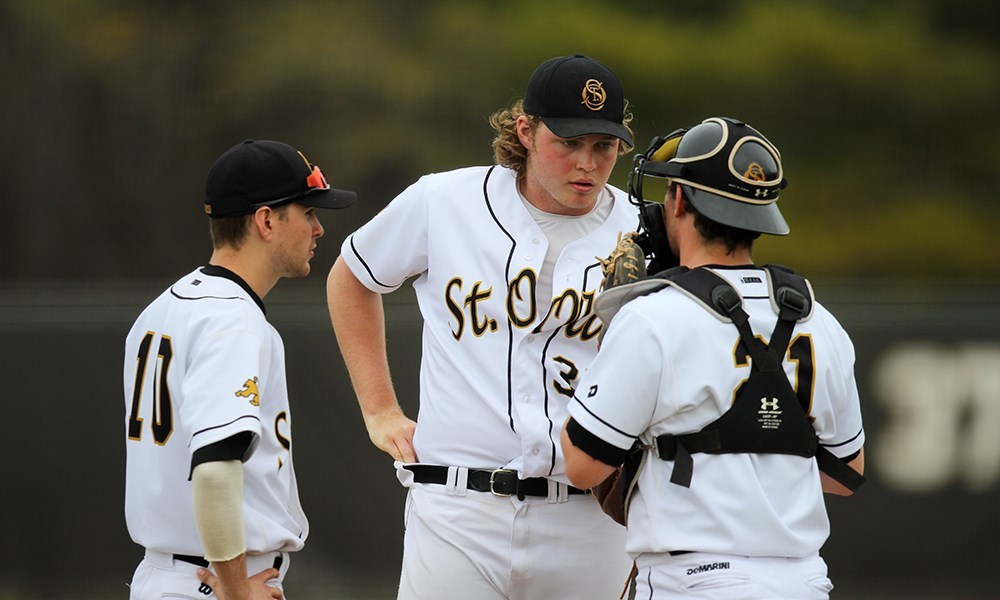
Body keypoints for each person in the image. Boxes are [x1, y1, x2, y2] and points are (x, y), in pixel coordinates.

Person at [326, 54, 636, 598]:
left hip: (591, 519)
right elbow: (352, 277)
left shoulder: (642, 229)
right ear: (525, 130)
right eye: (568, 142)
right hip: (457, 510)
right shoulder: (444, 201)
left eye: (603, 146)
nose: (587, 162)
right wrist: (379, 409)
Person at [561, 117, 866, 599]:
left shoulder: (652, 316)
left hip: (694, 581)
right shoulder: (818, 318)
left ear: (680, 200)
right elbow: (846, 473)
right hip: (803, 581)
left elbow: (582, 465)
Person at [124, 139, 356, 599]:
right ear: (266, 220)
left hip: (172, 574)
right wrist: (237, 591)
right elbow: (214, 470)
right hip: (214, 580)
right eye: (307, 213)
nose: (318, 229)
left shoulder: (163, 308)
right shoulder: (234, 320)